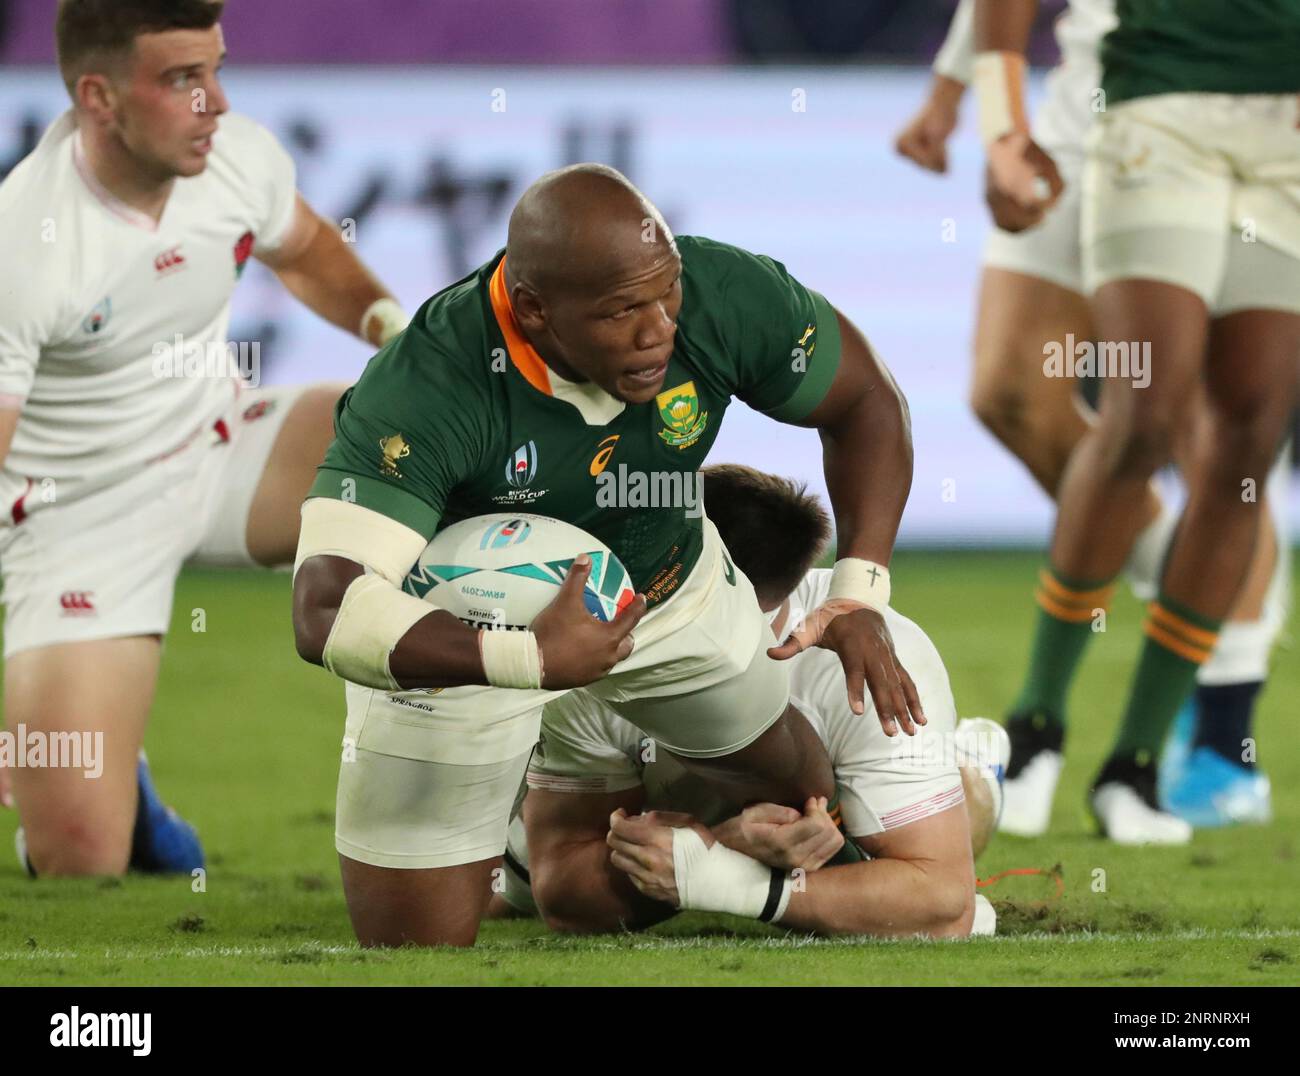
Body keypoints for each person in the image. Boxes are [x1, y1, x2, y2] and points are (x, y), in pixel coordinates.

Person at [292, 163, 924, 946]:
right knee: (414, 945)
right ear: (534, 310)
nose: (659, 327)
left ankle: (699, 856)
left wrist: (860, 591)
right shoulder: (428, 385)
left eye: (667, 294)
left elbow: (866, 401)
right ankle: (527, 850)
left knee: (802, 792)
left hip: (668, 590)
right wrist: (523, 656)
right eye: (622, 309)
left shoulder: (724, 297)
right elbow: (323, 611)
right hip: (467, 639)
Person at [0, 0, 408, 876]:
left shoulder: (233, 157)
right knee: (81, 860)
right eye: (183, 79)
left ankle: (520, 788)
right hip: (81, 521)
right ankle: (122, 789)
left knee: (414, 440)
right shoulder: (25, 241)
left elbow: (303, 250)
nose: (214, 103)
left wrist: (396, 336)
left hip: (224, 447)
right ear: (98, 98)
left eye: (215, 68)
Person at [895, 0, 1289, 835]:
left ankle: (1212, 731)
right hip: (1110, 100)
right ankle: (1058, 712)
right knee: (1060, 397)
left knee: (1237, 433)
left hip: (1270, 115)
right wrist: (959, 94)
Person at [500, 464, 1006, 939]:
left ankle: (974, 771)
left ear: (706, 575)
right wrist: (724, 846)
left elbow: (944, 903)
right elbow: (562, 896)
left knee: (954, 814)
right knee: (501, 896)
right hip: (652, 821)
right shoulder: (598, 648)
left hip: (832, 813)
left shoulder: (871, 663)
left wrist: (726, 879)